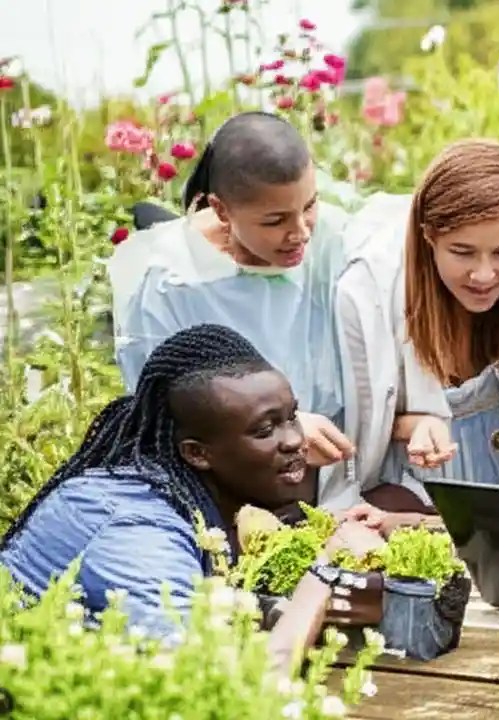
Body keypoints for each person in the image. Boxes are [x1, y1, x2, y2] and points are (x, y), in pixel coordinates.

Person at [0, 324, 384, 666]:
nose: (295, 441)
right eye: (265, 429)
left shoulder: (169, 493)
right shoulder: (139, 529)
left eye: (292, 417)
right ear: (197, 453)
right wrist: (325, 569)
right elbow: (237, 693)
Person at [107, 112, 358, 507]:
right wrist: (284, 431)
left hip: (331, 478)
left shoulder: (329, 239)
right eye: (276, 221)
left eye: (309, 206)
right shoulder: (167, 280)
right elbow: (168, 413)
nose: (301, 232)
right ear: (221, 211)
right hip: (226, 491)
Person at [335, 139, 499, 510]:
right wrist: (415, 425)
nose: (484, 274)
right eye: (462, 252)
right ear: (429, 236)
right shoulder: (369, 288)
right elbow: (358, 421)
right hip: (415, 504)